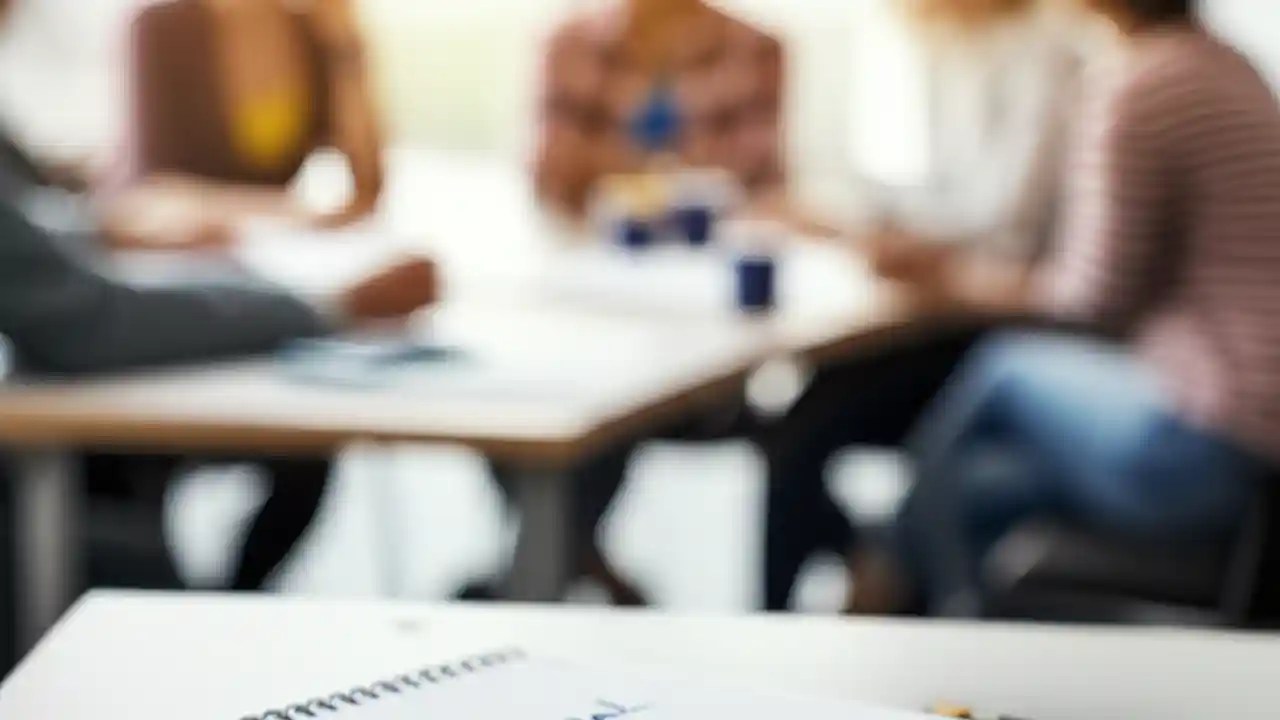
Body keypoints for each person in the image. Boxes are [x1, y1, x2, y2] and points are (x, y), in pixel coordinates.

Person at [859, 0, 1280, 617]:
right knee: (964, 487)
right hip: (1258, 442)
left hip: (1214, 439)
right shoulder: (1229, 67)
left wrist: (949, 282)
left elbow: (1091, 301)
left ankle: (885, 601)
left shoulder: (1137, 84)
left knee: (1002, 367)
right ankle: (927, 620)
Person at [763, 0, 1082, 611]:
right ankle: (833, 593)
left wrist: (893, 237)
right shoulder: (950, 50)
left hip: (1007, 330)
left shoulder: (1052, 57)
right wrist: (854, 218)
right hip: (947, 311)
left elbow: (1008, 225)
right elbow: (944, 192)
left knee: (803, 435)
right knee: (795, 427)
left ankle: (882, 575)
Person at [464, 0, 785, 606]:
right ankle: (574, 571)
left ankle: (546, 577)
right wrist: (682, 176)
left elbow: (758, 189)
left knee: (602, 422)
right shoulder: (571, 42)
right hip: (582, 318)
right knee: (524, 415)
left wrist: (616, 173)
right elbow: (553, 177)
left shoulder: (754, 50)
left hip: (700, 330)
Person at [122, 0, 384, 230]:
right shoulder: (161, 27)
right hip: (165, 257)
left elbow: (367, 190)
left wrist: (345, 49)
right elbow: (153, 189)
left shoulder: (309, 34)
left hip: (265, 255)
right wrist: (288, 213)